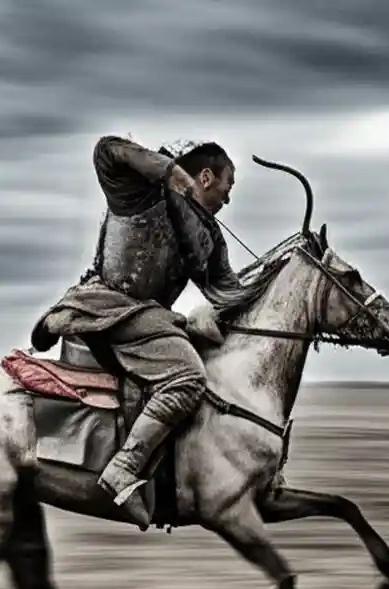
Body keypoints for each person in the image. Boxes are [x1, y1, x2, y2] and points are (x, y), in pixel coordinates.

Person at [30, 136, 242, 529]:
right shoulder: (143, 190)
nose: (229, 199)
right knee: (189, 377)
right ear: (207, 177)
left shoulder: (210, 239)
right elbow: (106, 151)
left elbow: (231, 293)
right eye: (229, 186)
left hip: (147, 322)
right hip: (105, 309)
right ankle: (122, 470)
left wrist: (281, 269)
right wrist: (169, 171)